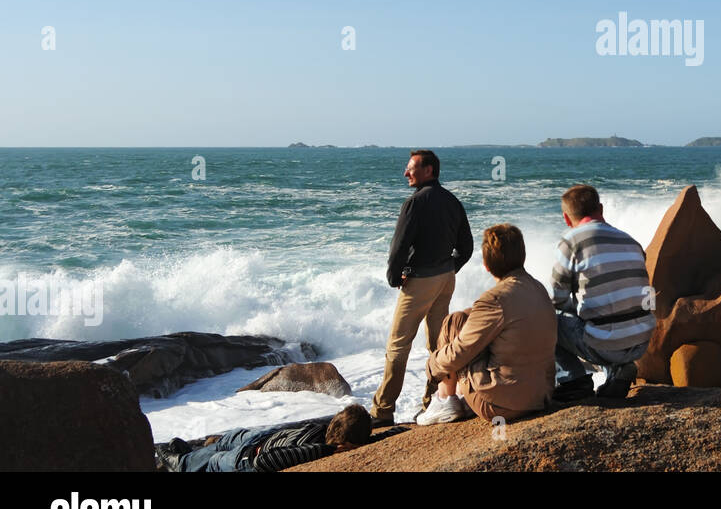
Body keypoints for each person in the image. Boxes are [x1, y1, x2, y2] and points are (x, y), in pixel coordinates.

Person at [371, 149, 474, 427]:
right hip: (445, 278)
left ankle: (382, 411)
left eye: (411, 168)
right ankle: (435, 402)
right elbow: (467, 246)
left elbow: (399, 247)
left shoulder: (414, 203)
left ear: (429, 171)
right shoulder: (452, 201)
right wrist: (451, 267)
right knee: (438, 344)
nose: (406, 173)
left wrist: (395, 278)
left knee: (398, 345)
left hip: (421, 281)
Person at [418, 224, 557, 424]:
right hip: (541, 395)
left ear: (486, 265)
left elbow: (459, 351)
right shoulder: (538, 288)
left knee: (452, 323)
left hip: (501, 405)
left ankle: (445, 400)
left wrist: (432, 366)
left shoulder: (495, 300)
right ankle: (453, 397)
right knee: (461, 318)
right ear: (522, 255)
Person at [551, 184, 656, 400]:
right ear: (600, 208)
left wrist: (576, 308)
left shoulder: (570, 242)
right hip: (641, 340)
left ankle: (573, 380)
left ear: (566, 218)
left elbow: (555, 299)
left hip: (605, 343)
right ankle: (617, 371)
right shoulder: (631, 242)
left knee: (546, 318)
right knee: (605, 312)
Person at [161, 405, 371, 472]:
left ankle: (178, 460)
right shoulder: (322, 439)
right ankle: (192, 454)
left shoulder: (321, 438)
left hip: (251, 452)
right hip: (258, 443)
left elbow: (263, 461)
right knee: (224, 445)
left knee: (214, 460)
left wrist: (326, 450)